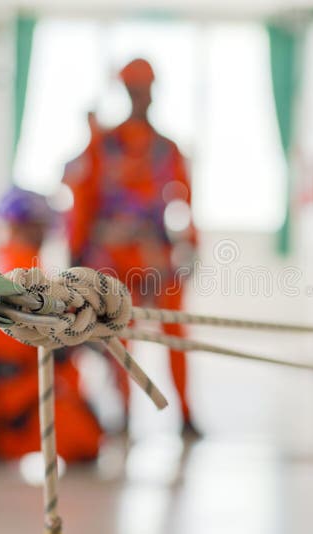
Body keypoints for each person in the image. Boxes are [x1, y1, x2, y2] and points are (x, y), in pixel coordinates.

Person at [63, 59, 200, 436]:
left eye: (145, 89)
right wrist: (76, 254)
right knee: (119, 337)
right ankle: (123, 414)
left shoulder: (165, 150)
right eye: (136, 89)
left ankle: (186, 415)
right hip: (113, 258)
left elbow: (185, 202)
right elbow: (83, 201)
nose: (142, 96)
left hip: (154, 257)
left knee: (175, 331)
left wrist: (191, 246)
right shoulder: (103, 146)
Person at [0, 187, 102, 463]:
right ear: (28, 225)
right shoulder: (25, 267)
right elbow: (55, 333)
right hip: (7, 392)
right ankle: (3, 439)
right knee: (86, 439)